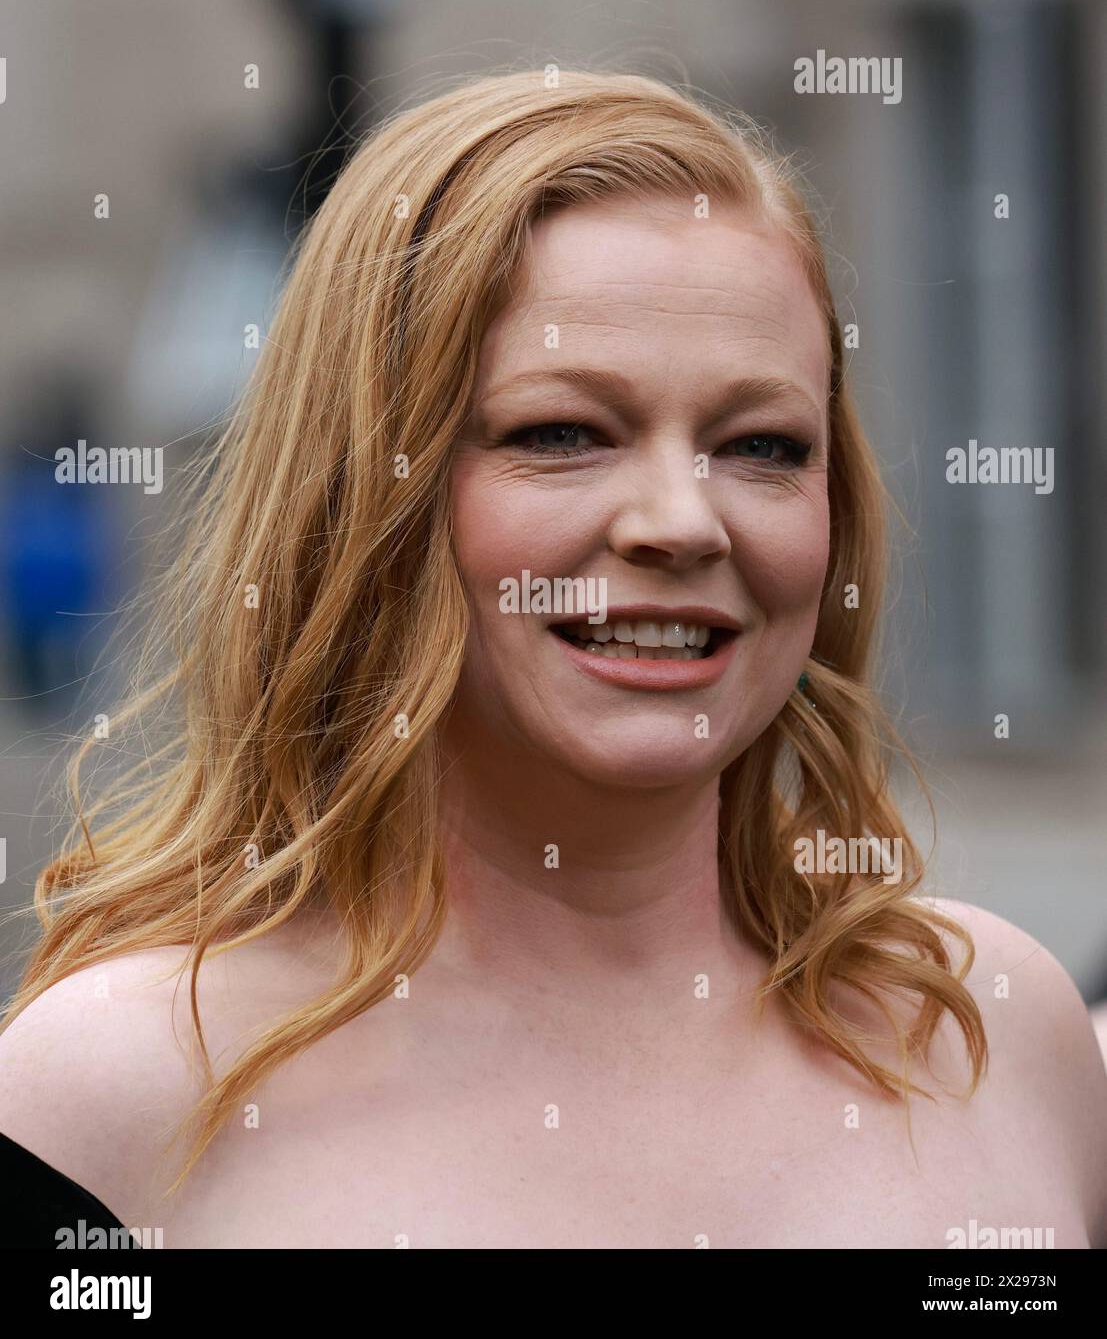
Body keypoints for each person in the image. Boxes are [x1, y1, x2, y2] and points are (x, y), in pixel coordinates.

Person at [1, 69, 1104, 1250]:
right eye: (563, 433)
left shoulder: (1000, 1029)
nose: (682, 522)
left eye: (763, 444)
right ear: (366, 497)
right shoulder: (112, 1094)